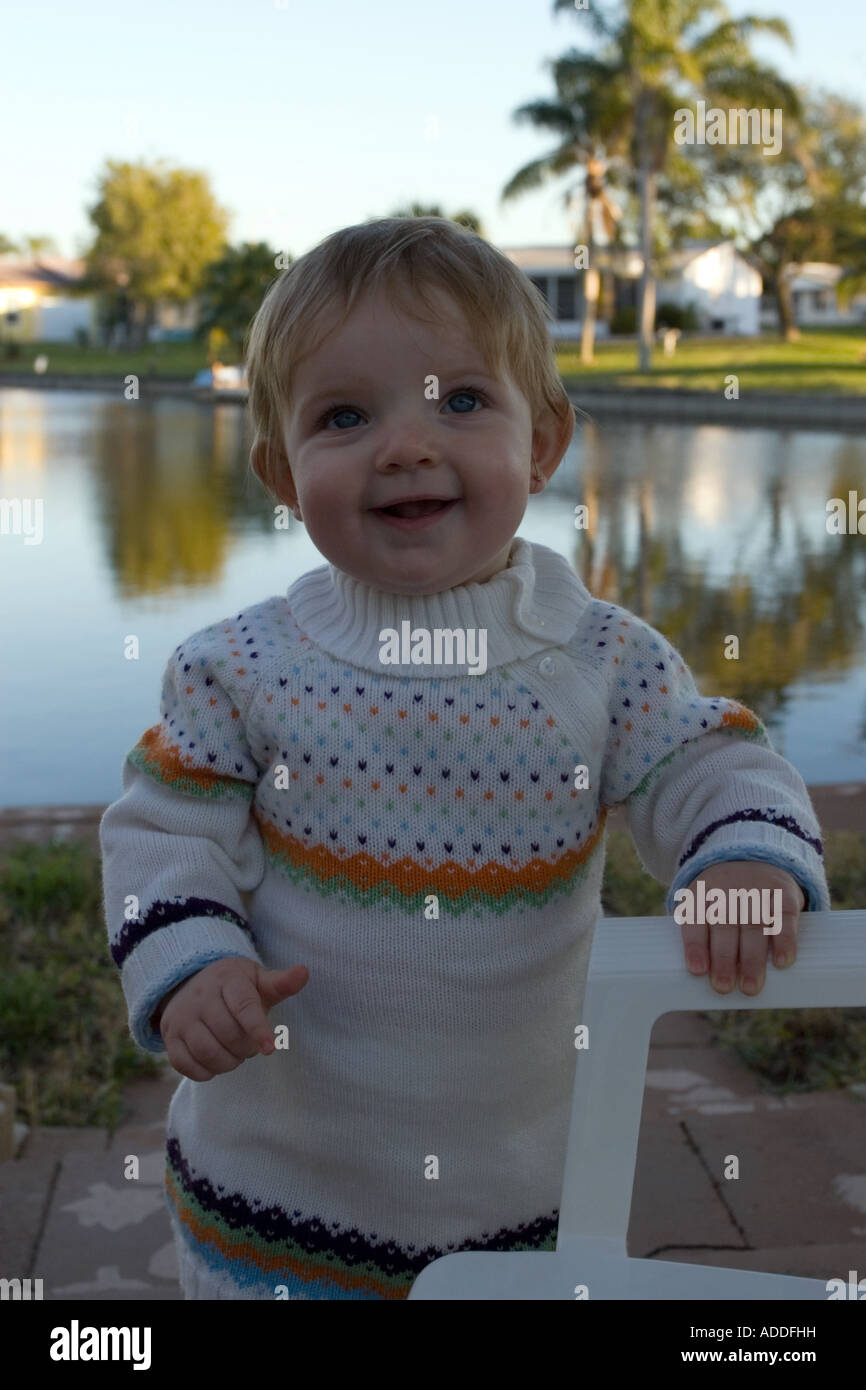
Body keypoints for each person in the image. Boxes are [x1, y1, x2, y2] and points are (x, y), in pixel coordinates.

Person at [101, 217, 829, 1300]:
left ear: (541, 442)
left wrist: (739, 856)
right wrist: (191, 961)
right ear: (282, 474)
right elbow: (163, 835)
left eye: (460, 401)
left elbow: (712, 764)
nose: (405, 444)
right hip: (270, 1194)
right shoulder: (237, 669)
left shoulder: (598, 661)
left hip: (511, 1196)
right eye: (343, 415)